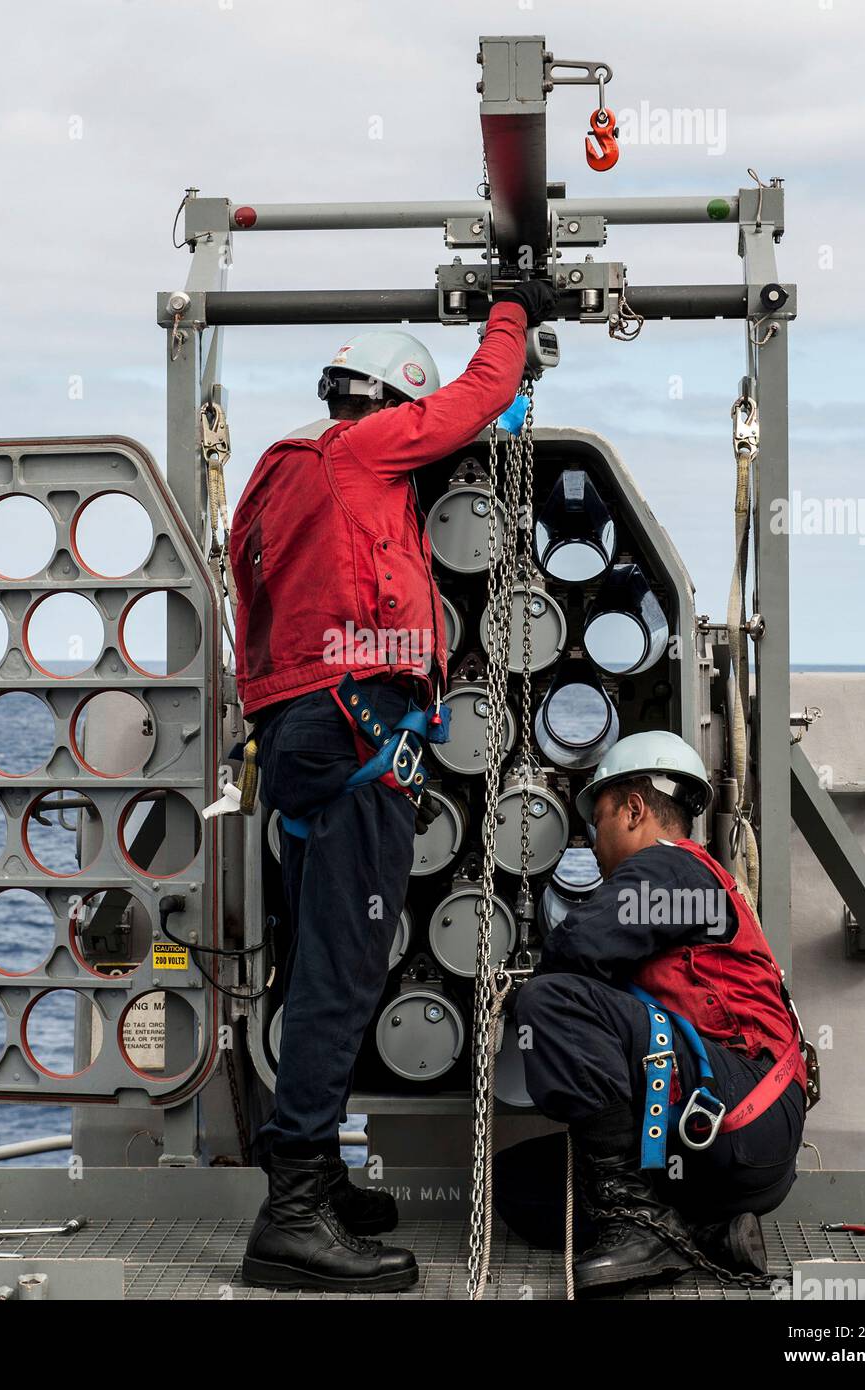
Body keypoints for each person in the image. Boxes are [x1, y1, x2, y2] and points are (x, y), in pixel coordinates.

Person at [230, 280, 558, 1292]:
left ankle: (315, 1176)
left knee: (317, 960)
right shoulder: (365, 451)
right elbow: (480, 391)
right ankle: (290, 1216)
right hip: (354, 734)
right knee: (342, 972)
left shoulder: (280, 481)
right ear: (387, 402)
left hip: (302, 736)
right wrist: (512, 310)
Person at [493, 731, 808, 1294]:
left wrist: (517, 998)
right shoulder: (698, 884)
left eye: (600, 822)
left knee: (551, 999)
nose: (593, 842)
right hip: (734, 1149)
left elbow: (579, 946)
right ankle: (704, 1233)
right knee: (515, 1187)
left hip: (742, 1115)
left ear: (634, 809)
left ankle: (636, 1225)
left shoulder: (672, 870)